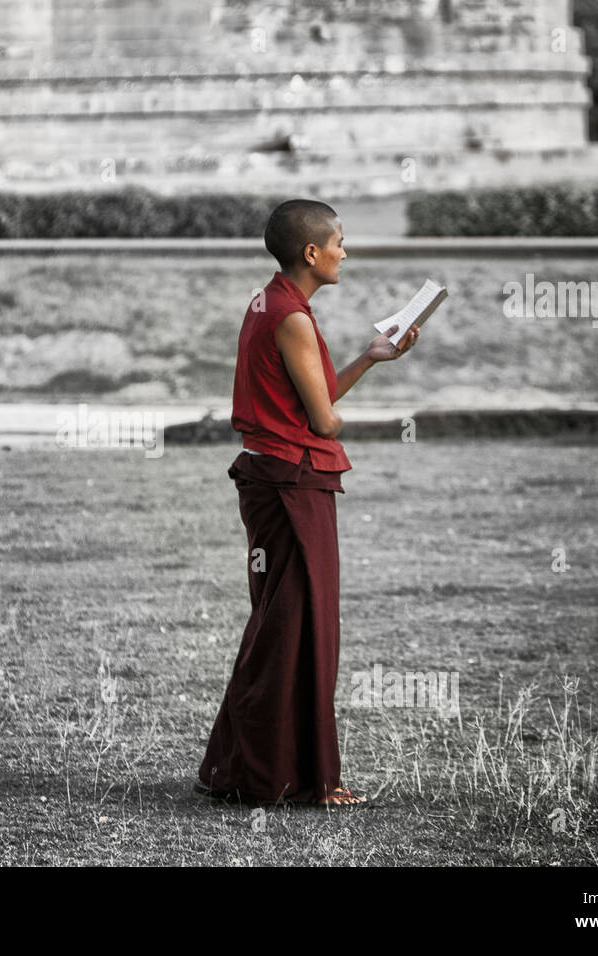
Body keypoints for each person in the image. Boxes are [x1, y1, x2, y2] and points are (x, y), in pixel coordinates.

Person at [197, 198, 419, 808]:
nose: (346, 252)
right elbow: (323, 419)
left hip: (274, 475)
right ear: (312, 253)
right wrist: (338, 420)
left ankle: (247, 770)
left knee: (281, 624)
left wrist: (371, 359)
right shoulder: (292, 317)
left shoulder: (270, 301)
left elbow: (307, 395)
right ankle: (287, 777)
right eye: (340, 243)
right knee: (300, 627)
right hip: (291, 482)